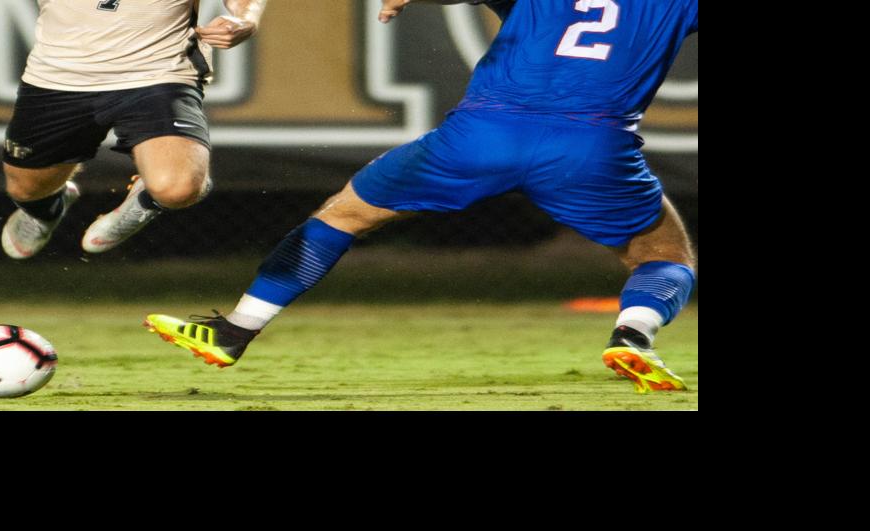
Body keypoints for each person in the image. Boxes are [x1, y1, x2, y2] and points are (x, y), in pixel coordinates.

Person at [146, 0, 699, 394]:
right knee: (665, 256)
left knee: (345, 216)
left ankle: (236, 330)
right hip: (591, 145)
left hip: (480, 136)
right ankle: (633, 334)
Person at [0, 0, 267, 259]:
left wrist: (245, 19)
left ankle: (147, 200)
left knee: (179, 188)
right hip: (57, 75)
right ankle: (45, 210)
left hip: (160, 71)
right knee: (26, 190)